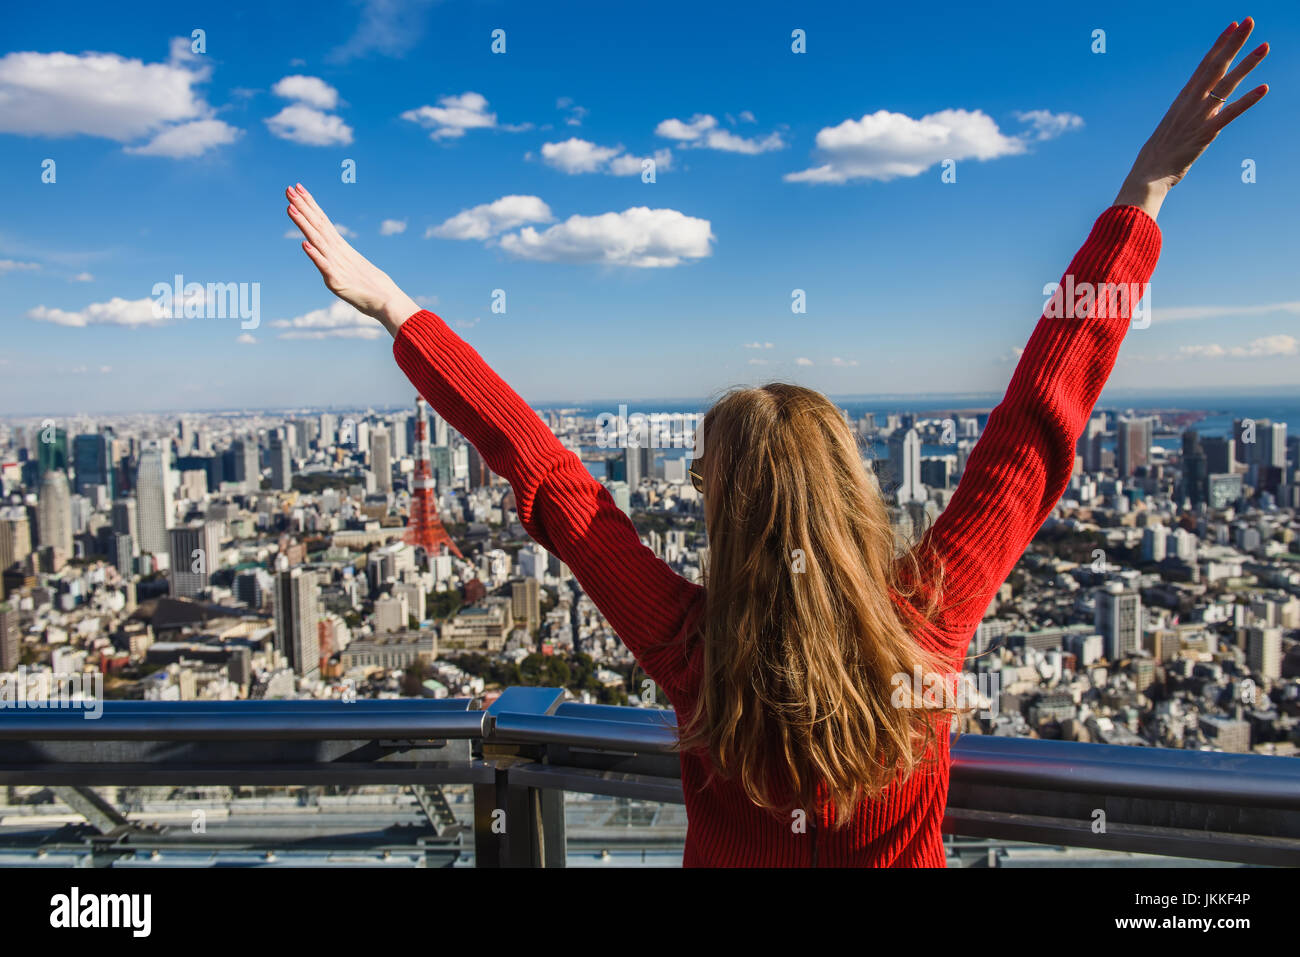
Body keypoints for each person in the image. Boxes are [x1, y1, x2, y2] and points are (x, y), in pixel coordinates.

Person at [285, 19, 1268, 866]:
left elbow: (548, 477)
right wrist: (1143, 195)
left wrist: (395, 309)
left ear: (723, 509)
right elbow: (1035, 429)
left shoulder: (692, 651)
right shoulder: (927, 618)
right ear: (847, 491)